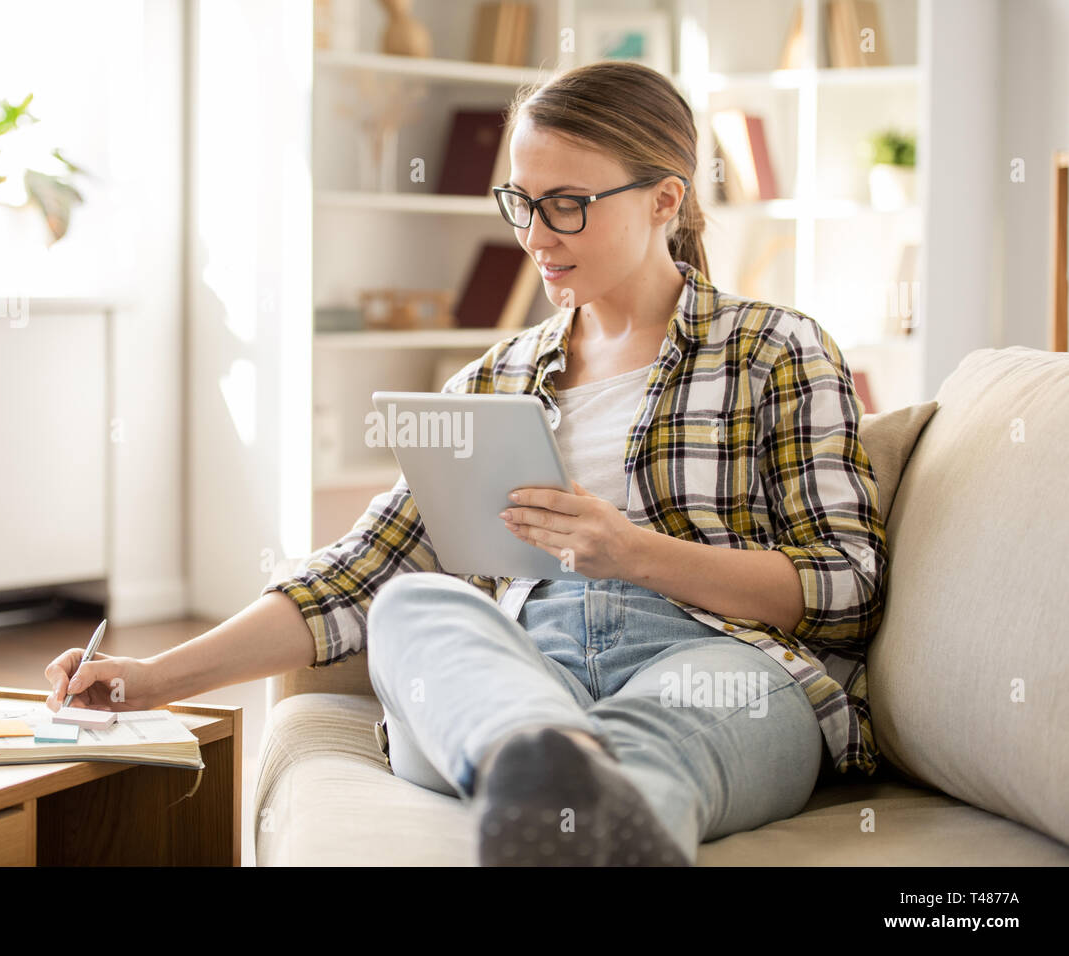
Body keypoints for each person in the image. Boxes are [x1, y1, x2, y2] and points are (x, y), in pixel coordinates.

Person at [45, 60, 888, 867]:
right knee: (415, 603)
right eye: (520, 202)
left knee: (661, 738)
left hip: (715, 660)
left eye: (566, 205)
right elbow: (355, 576)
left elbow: (848, 589)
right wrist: (150, 678)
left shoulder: (777, 349)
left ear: (665, 197)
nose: (534, 237)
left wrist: (633, 554)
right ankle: (543, 765)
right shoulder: (495, 380)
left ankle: (574, 807)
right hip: (521, 674)